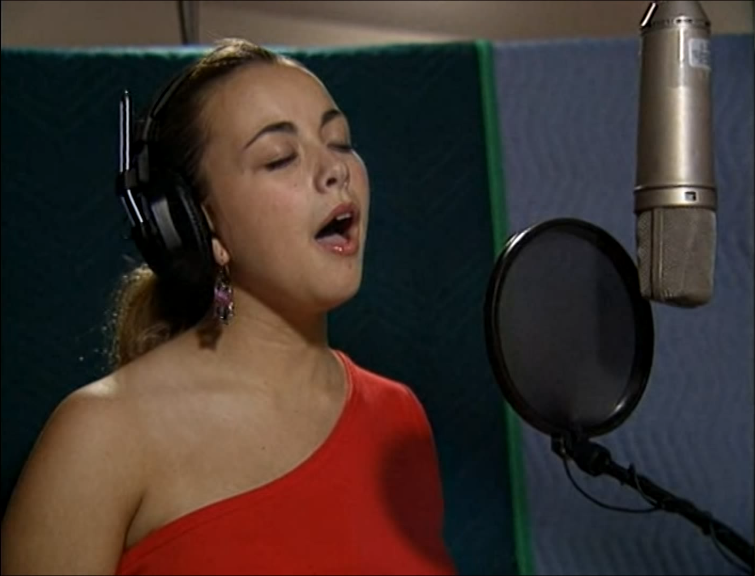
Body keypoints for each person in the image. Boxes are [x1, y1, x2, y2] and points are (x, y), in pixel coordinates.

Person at [0, 39, 457, 576]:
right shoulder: (100, 436)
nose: (335, 169)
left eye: (340, 141)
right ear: (196, 223)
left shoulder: (399, 418)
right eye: (279, 157)